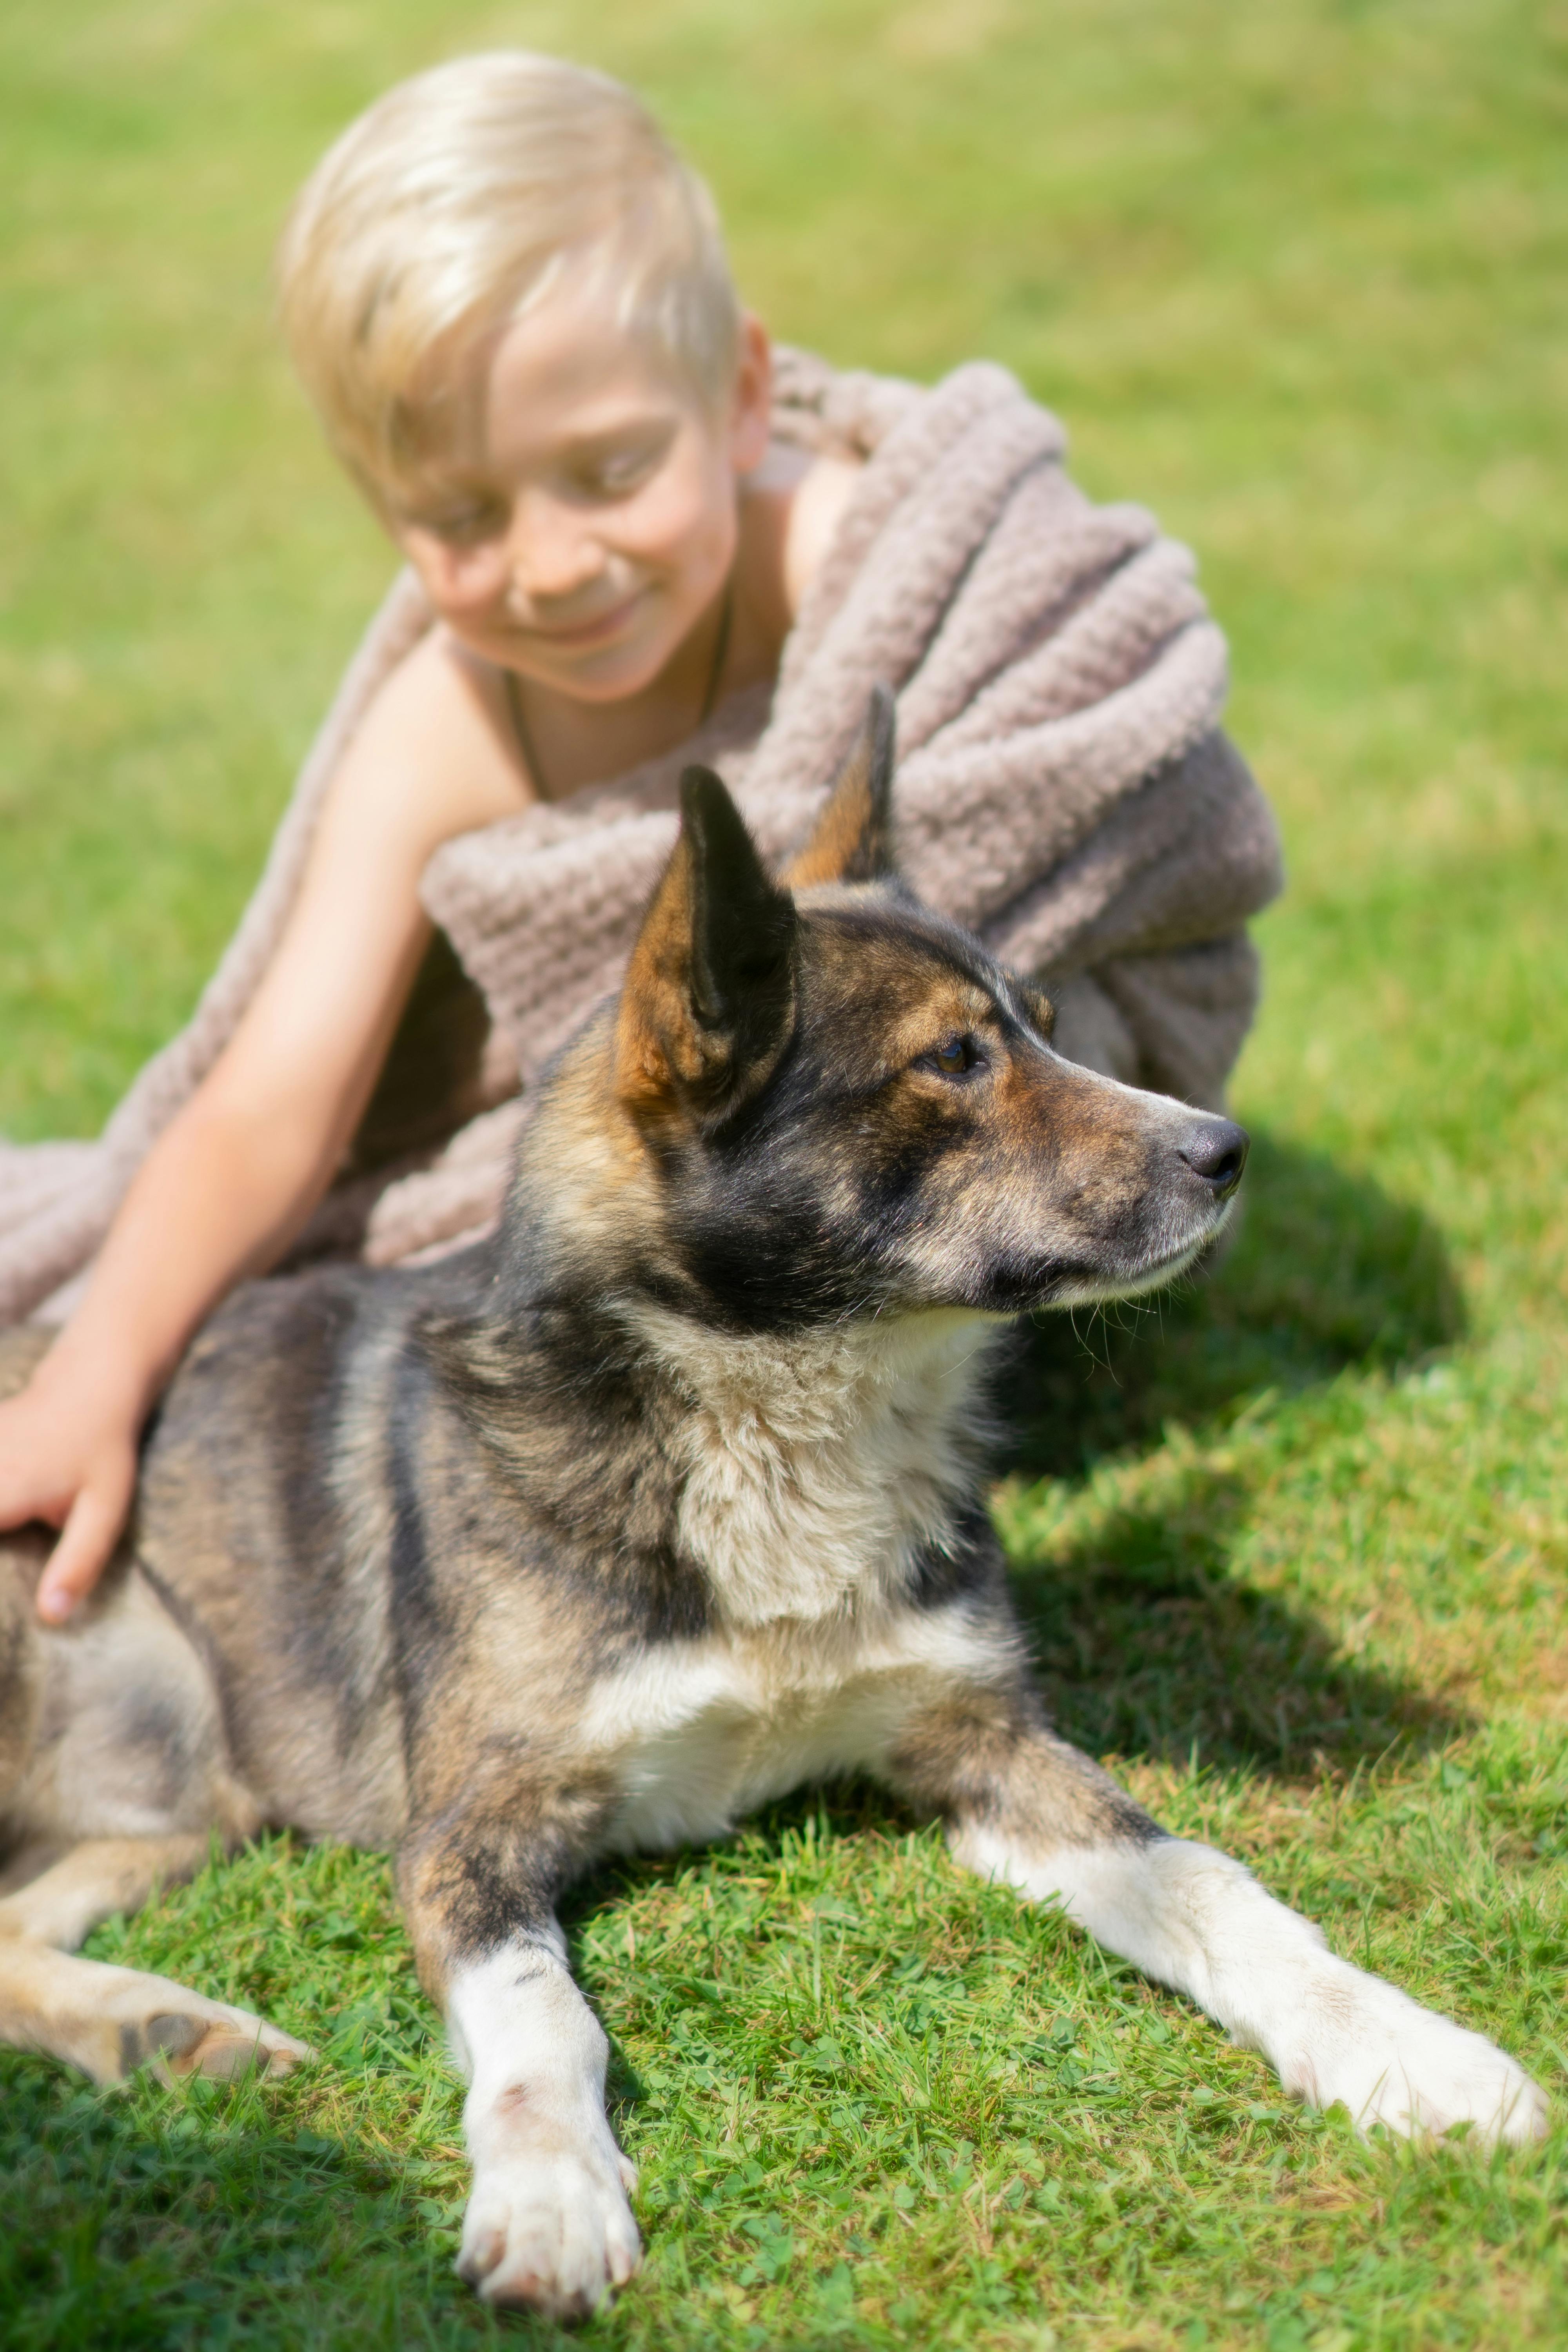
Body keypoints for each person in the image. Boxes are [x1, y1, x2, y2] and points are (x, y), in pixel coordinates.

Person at [0, 51, 1280, 1627]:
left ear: (742, 397)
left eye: (609, 471)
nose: (548, 564)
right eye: (462, 517)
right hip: (735, 1219)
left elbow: (1096, 779)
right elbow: (273, 1105)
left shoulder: (882, 576)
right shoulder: (450, 722)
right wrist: (98, 1373)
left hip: (974, 1146)